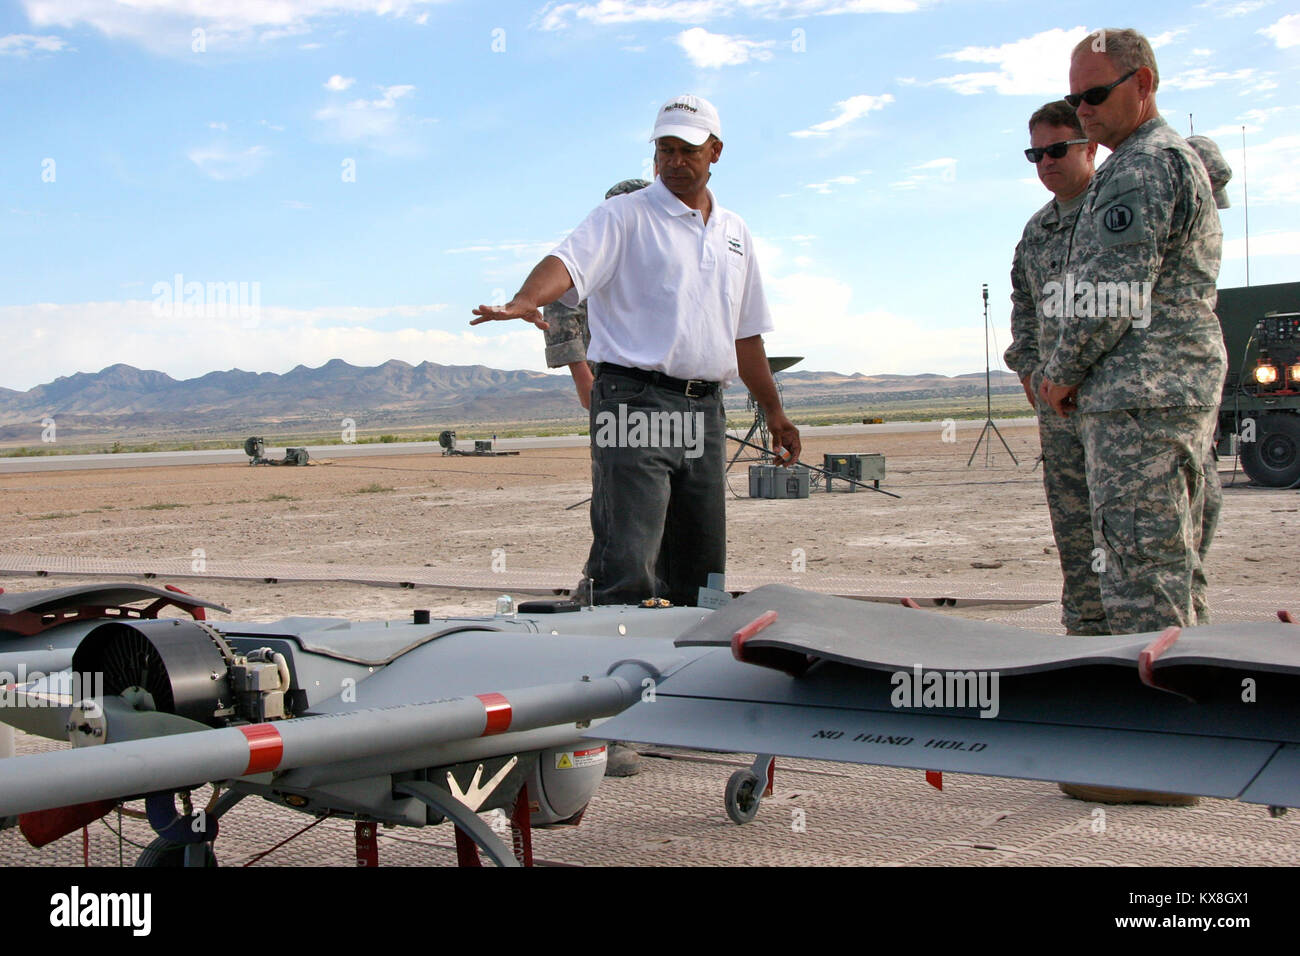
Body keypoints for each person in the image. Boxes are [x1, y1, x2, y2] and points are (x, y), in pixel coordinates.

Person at [473, 94, 800, 609]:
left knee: (702, 570)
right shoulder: (623, 215)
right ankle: (609, 671)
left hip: (705, 409)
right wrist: (523, 300)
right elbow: (566, 263)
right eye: (664, 150)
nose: (674, 161)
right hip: (633, 402)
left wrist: (775, 412)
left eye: (687, 150)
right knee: (627, 561)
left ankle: (687, 675)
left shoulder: (735, 232)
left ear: (715, 151)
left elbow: (747, 337)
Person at [1038, 28, 1226, 806]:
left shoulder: (1143, 166)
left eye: (1095, 95)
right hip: (1153, 395)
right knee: (1167, 566)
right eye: (1076, 97)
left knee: (1144, 573)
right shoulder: (1153, 162)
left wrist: (1059, 373)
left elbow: (1109, 291)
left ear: (1142, 83)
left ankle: (1163, 762)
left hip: (1141, 399)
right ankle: (1191, 742)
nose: (1083, 114)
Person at [1004, 100, 1107, 636]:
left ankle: (1149, 641)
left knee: (1134, 534)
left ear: (1089, 146)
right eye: (1035, 153)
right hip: (1058, 411)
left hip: (1117, 402)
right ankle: (1087, 638)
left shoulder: (1116, 209)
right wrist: (1025, 367)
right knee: (1074, 529)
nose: (1045, 162)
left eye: (1057, 149)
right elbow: (1022, 301)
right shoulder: (1038, 230)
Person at [542, 179, 653, 410]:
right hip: (615, 383)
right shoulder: (596, 254)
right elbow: (559, 306)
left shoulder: (661, 256)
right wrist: (583, 378)